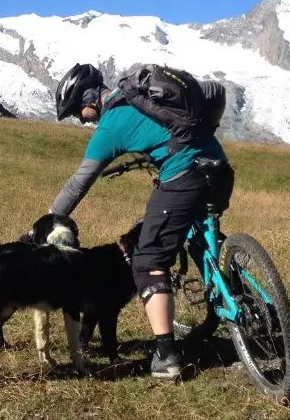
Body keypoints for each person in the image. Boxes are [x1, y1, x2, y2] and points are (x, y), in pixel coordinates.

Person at [50, 63, 234, 379]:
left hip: (184, 173)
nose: (80, 119)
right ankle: (235, 295)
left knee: (147, 259)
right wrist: (203, 133)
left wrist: (49, 220)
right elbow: (216, 91)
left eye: (78, 111)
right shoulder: (145, 94)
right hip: (218, 167)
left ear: (90, 99)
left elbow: (78, 184)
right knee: (199, 228)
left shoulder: (110, 127)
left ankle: (166, 358)